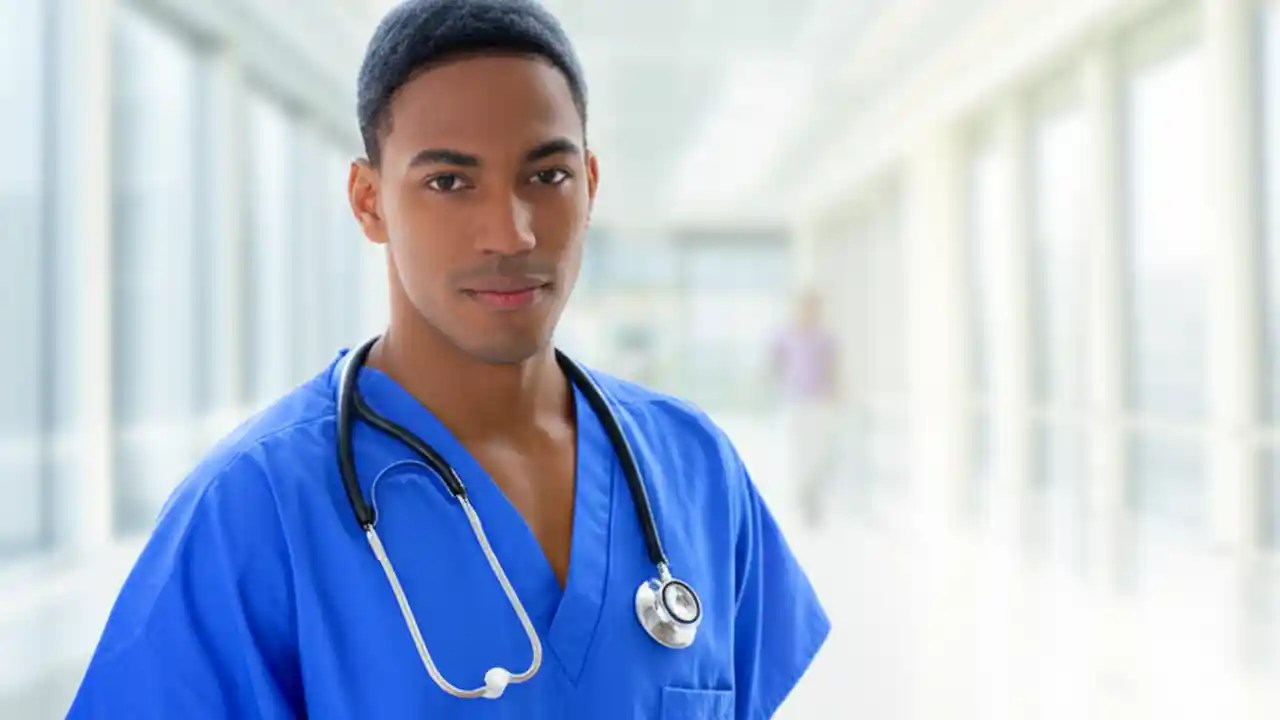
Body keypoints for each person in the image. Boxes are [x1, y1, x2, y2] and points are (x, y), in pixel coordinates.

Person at [68, 1, 828, 717]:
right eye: (449, 182)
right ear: (369, 202)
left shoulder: (694, 470)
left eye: (547, 176)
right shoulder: (252, 510)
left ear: (590, 186)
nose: (511, 232)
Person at [770, 291, 840, 527]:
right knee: (800, 451)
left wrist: (834, 392)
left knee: (819, 451)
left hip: (819, 401)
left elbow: (833, 367)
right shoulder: (786, 335)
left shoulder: (825, 338)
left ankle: (813, 494)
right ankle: (804, 496)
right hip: (795, 400)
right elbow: (774, 361)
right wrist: (780, 384)